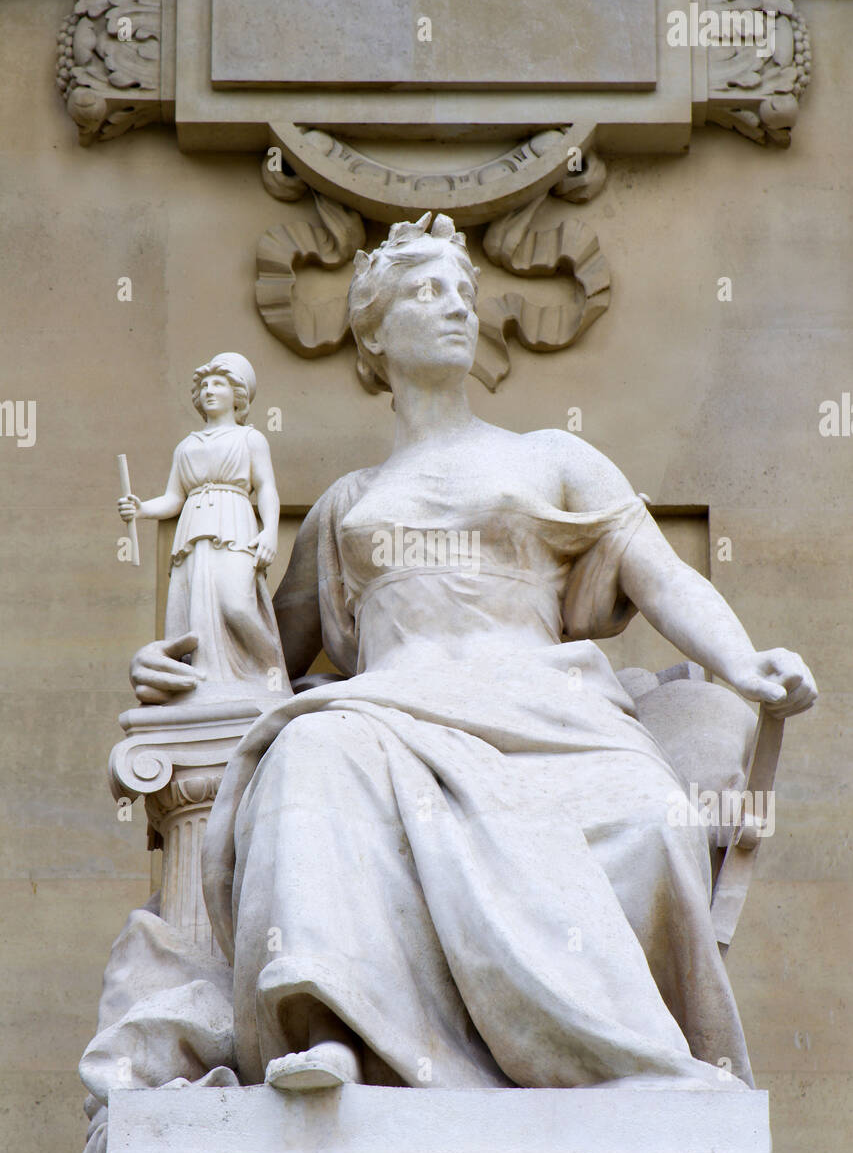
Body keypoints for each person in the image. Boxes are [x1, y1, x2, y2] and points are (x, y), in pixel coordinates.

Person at [135, 215, 816, 1094]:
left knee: (648, 814)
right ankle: (337, 1028)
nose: (454, 305)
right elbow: (263, 661)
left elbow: (662, 575)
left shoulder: (551, 457)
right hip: (389, 717)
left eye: (462, 290)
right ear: (371, 330)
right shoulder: (352, 501)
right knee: (308, 747)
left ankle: (623, 1064)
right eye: (424, 290)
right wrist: (178, 672)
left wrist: (742, 660)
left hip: (551, 716)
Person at [118, 352, 282, 701]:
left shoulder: (249, 439)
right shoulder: (187, 446)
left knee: (237, 604)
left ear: (237, 394)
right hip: (193, 532)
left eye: (218, 383)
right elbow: (174, 498)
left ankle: (270, 676)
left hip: (235, 524)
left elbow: (266, 487)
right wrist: (142, 508)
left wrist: (269, 531)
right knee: (192, 610)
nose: (209, 390)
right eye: (204, 385)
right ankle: (202, 682)